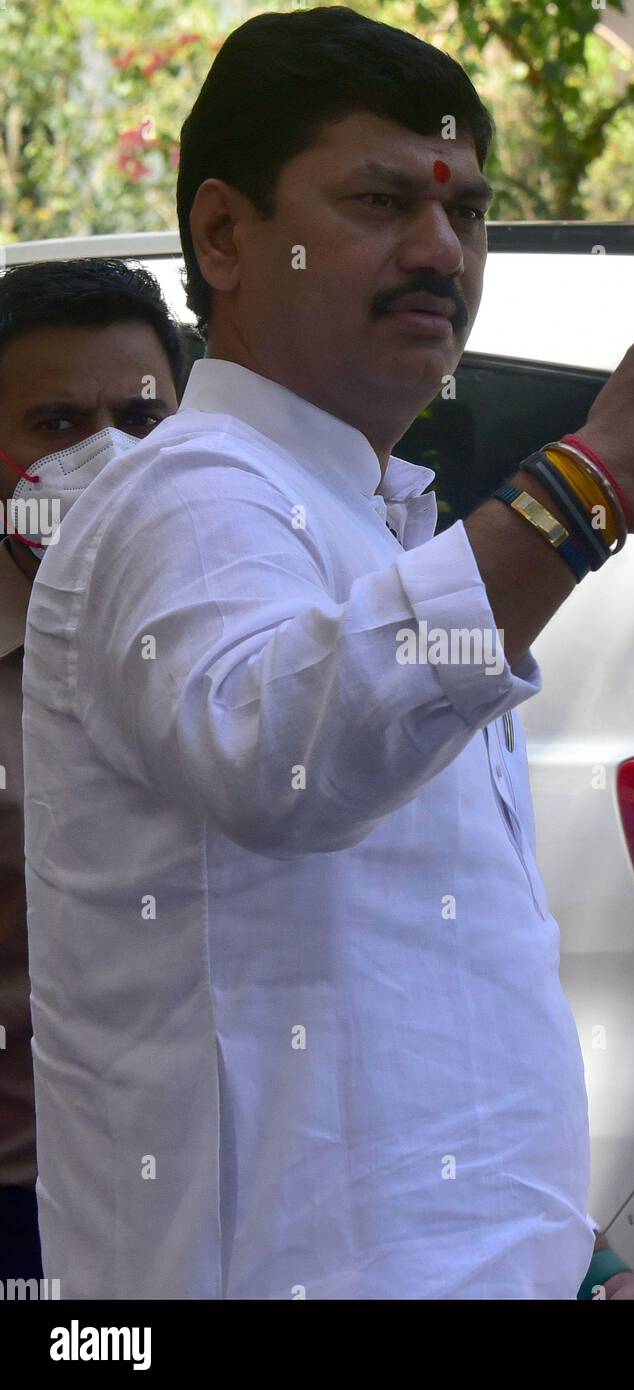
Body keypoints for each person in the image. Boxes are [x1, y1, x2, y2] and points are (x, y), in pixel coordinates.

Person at [22, 8, 634, 1299]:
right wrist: (586, 491)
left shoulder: (373, 528)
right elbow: (281, 755)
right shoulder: (182, 498)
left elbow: (427, 1012)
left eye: (466, 212)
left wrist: (575, 1262)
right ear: (223, 235)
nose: (439, 251)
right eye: (378, 201)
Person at [0, 257, 182, 1279]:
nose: (112, 455)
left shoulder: (276, 641)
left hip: (236, 1190)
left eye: (145, 420)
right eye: (59, 423)